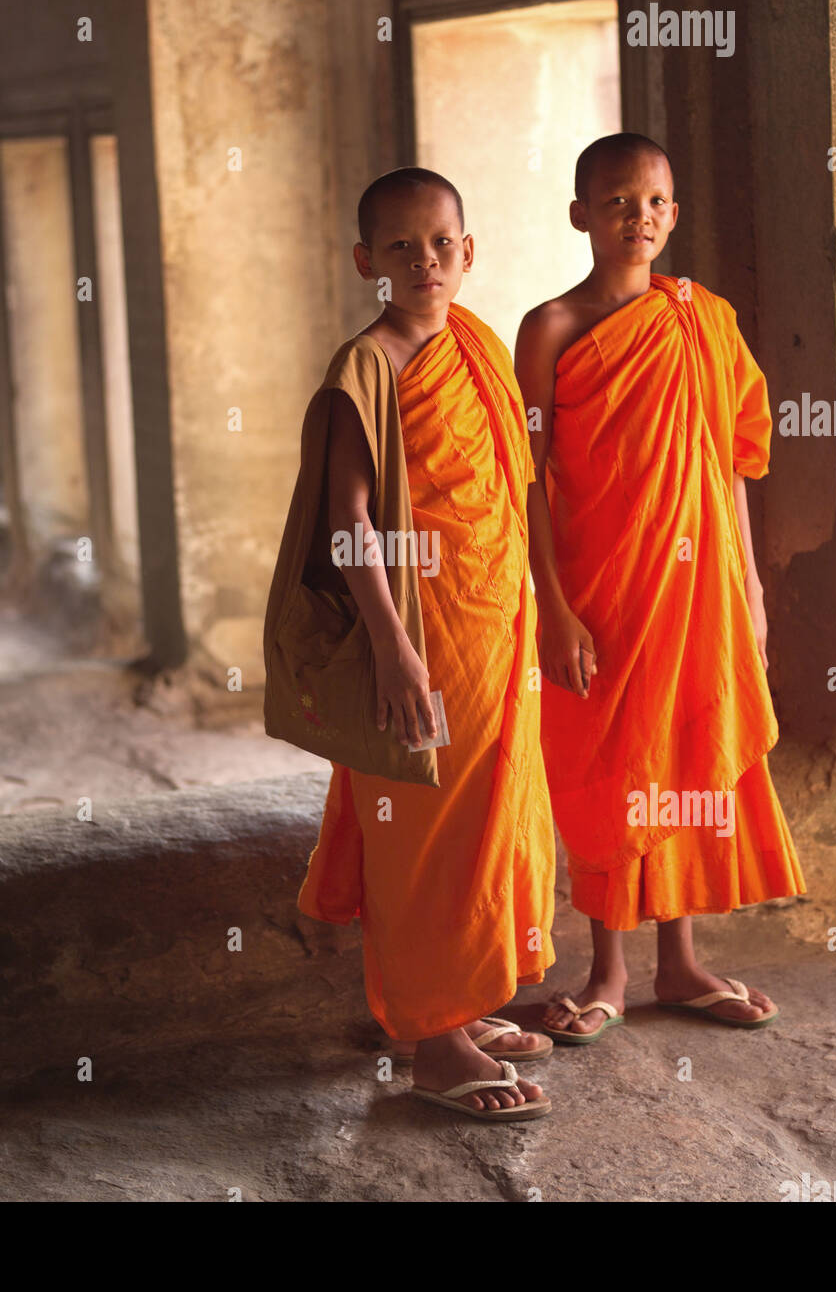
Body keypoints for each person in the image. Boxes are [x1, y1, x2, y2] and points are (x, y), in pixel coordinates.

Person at [275, 168, 557, 1119]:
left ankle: (462, 1009)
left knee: (488, 815)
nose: (426, 261)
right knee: (425, 832)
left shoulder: (475, 344)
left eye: (442, 242)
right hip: (422, 629)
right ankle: (433, 1047)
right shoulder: (369, 367)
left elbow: (510, 485)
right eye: (401, 247)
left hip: (492, 620)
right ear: (368, 262)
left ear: (468, 251)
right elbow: (348, 520)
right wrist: (393, 651)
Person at [514, 133, 806, 1042]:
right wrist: (551, 606)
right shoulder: (550, 328)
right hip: (600, 587)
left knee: (683, 753)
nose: (636, 218)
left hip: (701, 584)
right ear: (579, 216)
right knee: (609, 765)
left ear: (673, 215)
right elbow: (524, 474)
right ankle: (607, 970)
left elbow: (731, 464)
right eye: (615, 203)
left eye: (652, 203)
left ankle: (678, 963)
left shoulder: (701, 319)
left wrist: (751, 587)